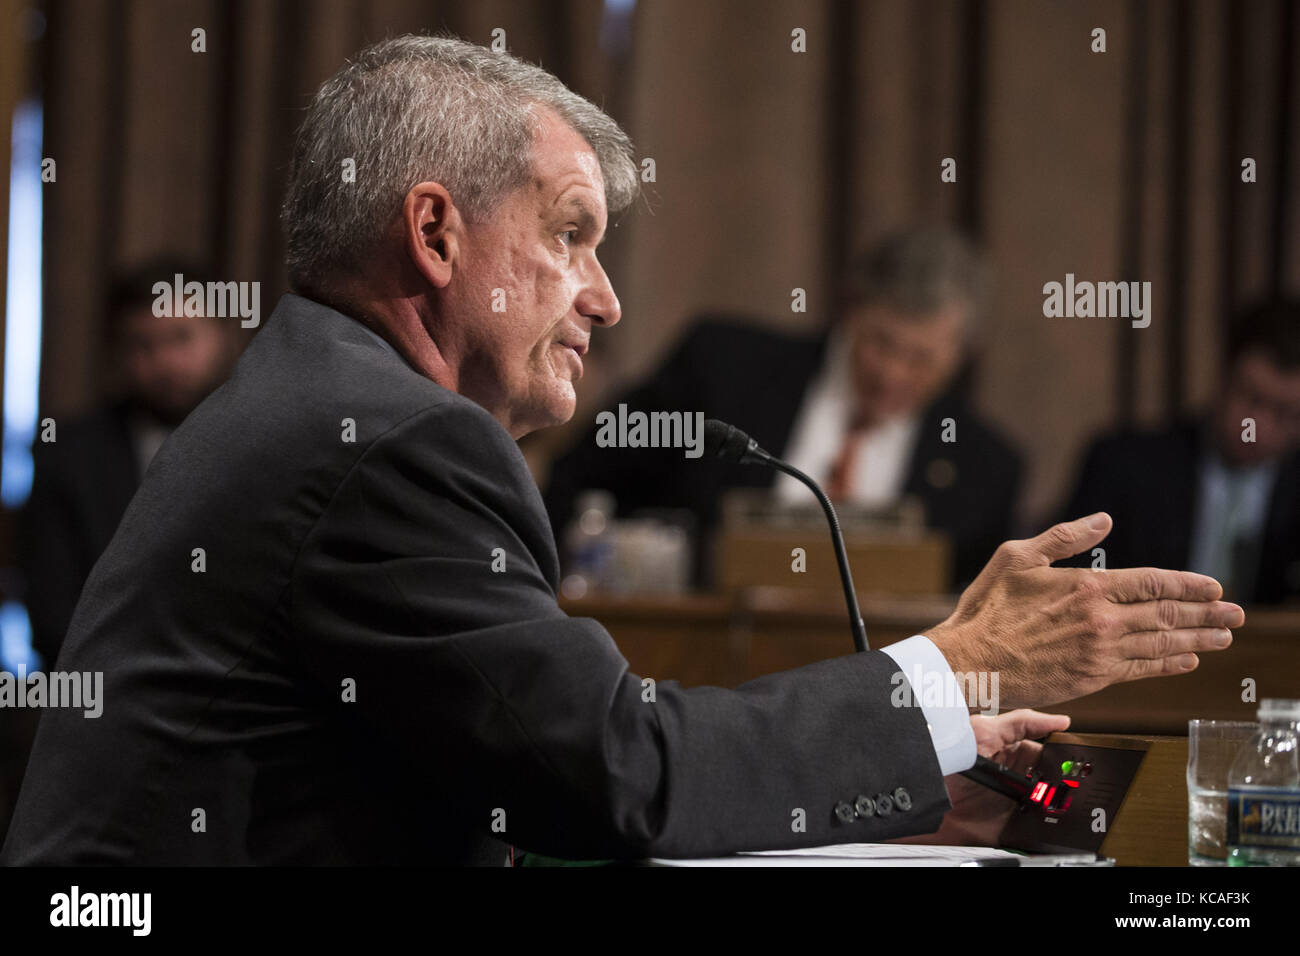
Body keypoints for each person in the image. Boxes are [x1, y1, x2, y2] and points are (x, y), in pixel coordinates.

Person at [1, 36, 1241, 866]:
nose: (602, 300)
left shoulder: (322, 392)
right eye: (573, 235)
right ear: (434, 232)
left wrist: (922, 773)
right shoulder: (392, 441)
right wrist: (958, 666)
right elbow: (620, 773)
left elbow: (531, 777)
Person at [544, 228, 1021, 590]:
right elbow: (578, 484)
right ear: (852, 311)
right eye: (881, 343)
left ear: (962, 355)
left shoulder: (987, 466)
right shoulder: (721, 369)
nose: (893, 374)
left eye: (922, 359)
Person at [18, 261, 233, 666]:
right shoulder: (68, 455)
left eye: (181, 337)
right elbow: (51, 613)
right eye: (142, 345)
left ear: (222, 334)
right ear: (116, 351)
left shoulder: (265, 439)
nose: (165, 362)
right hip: (106, 693)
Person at [1062, 300, 1300, 604]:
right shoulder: (1123, 465)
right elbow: (1071, 582)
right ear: (1222, 379)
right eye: (1251, 399)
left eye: (1286, 413)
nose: (1259, 427)